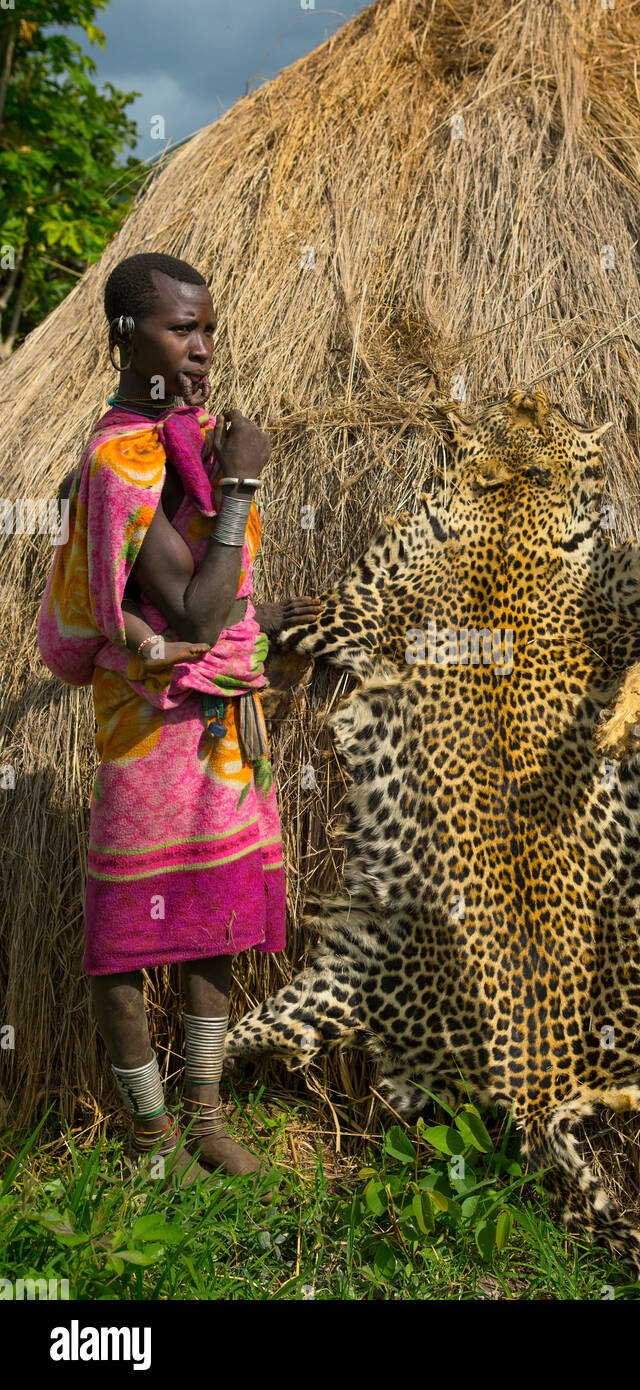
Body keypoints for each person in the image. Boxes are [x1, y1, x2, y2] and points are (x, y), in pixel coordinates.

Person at [38, 251, 321, 1188]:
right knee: (125, 935)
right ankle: (151, 1139)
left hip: (217, 727)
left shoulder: (182, 436)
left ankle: (205, 1112)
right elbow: (193, 616)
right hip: (148, 727)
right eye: (179, 329)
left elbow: (212, 600)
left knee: (215, 915)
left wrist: (259, 619)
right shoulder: (123, 460)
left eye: (206, 329)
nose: (201, 349)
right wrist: (240, 487)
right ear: (127, 335)